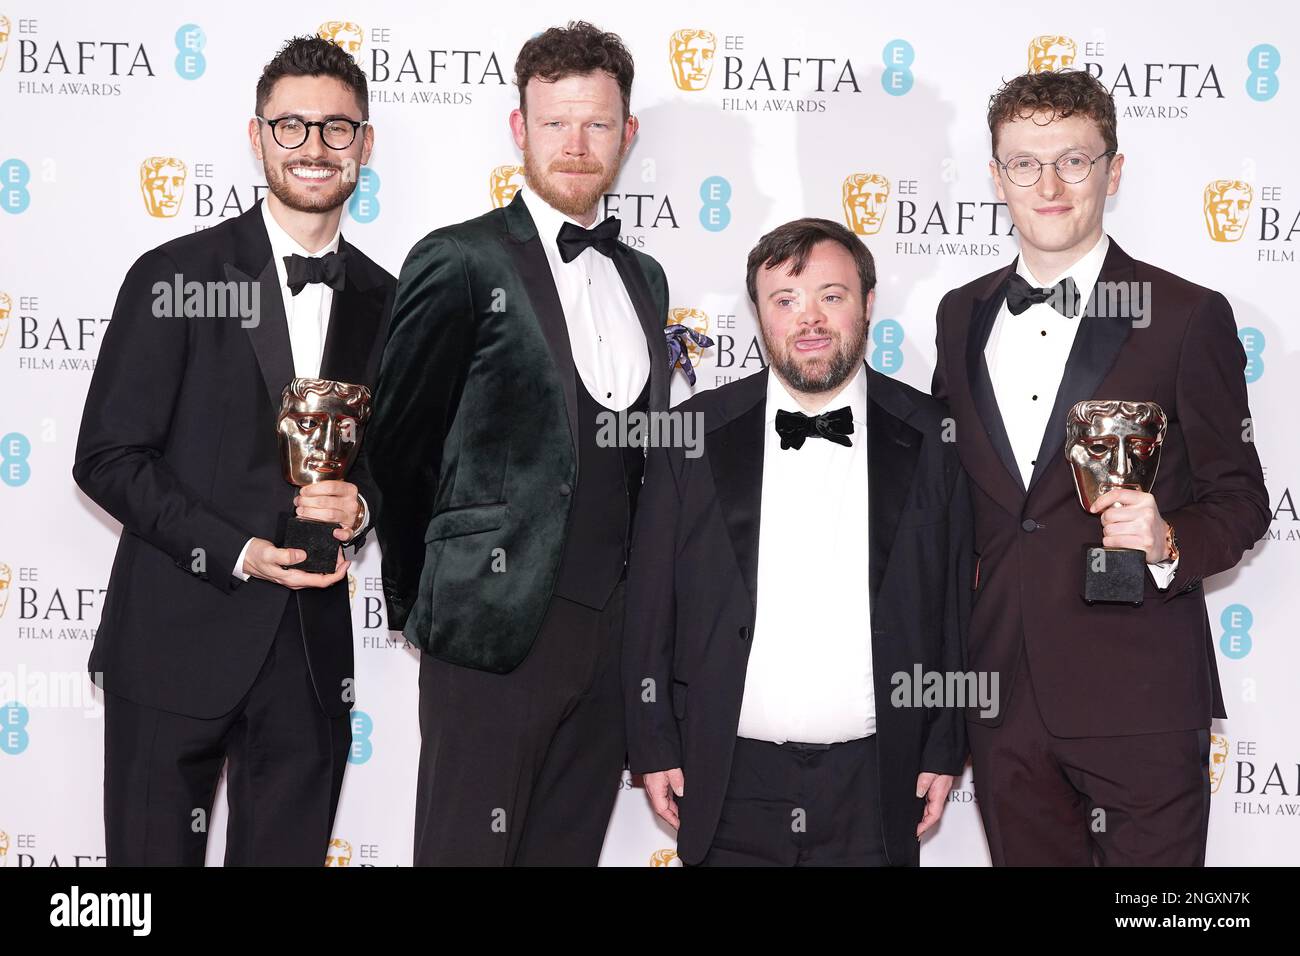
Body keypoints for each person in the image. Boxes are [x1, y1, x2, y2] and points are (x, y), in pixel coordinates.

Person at [931, 68, 1268, 866]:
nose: (1048, 185)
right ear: (995, 176)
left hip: (1140, 696)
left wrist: (1166, 540)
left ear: (1113, 172)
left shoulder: (1186, 315)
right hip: (1002, 697)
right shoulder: (960, 314)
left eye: (1074, 161)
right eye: (1025, 163)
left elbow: (1241, 498)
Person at [73, 35, 394, 865]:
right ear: (256, 140)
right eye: (291, 127)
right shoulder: (173, 274)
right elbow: (108, 457)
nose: (314, 148)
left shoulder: (393, 301)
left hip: (311, 659)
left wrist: (365, 507)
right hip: (175, 641)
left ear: (366, 143)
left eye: (336, 128)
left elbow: (401, 466)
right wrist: (238, 549)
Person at [367, 21, 671, 866]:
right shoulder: (458, 258)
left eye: (598, 124)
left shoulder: (644, 277)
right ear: (518, 130)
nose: (576, 145)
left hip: (610, 638)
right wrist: (436, 600)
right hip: (494, 632)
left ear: (627, 134)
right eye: (554, 123)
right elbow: (398, 444)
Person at [624, 218, 971, 866]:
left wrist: (945, 743)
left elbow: (951, 599)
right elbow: (648, 601)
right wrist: (651, 742)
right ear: (759, 316)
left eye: (831, 296)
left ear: (868, 305)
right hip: (726, 780)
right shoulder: (688, 435)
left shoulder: (934, 435)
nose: (808, 319)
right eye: (785, 300)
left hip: (877, 783)